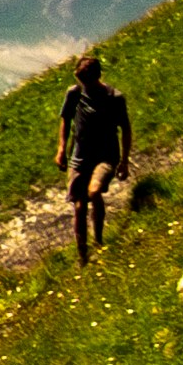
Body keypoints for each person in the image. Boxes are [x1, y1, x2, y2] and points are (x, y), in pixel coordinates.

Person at [54, 49, 134, 262]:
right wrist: (61, 149)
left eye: (86, 82)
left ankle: (98, 241)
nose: (83, 86)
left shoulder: (114, 98)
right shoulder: (74, 93)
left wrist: (124, 161)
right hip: (79, 158)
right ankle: (83, 254)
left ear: (96, 77)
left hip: (106, 156)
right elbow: (66, 120)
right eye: (80, 81)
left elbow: (125, 129)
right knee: (79, 206)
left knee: (94, 191)